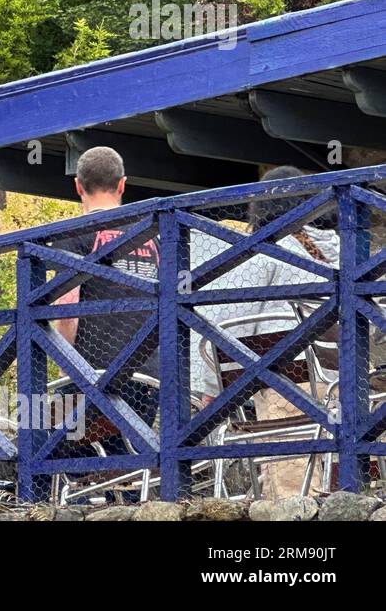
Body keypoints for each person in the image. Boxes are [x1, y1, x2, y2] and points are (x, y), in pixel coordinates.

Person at [189, 165, 341, 497]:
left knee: (287, 490)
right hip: (338, 383)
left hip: (284, 378)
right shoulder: (336, 254)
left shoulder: (264, 253)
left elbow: (226, 327)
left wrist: (212, 389)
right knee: (329, 486)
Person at [50, 147, 160, 473]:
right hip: (150, 376)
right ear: (123, 184)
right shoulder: (154, 233)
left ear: (78, 186)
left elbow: (66, 309)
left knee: (37, 434)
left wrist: (64, 366)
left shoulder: (73, 235)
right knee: (125, 462)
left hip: (92, 374)